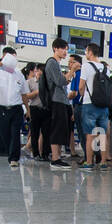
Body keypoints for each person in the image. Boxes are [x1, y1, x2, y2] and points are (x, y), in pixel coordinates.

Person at [0, 50, 29, 168]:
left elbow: (24, 94)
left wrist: (28, 109)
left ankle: (14, 158)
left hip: (16, 108)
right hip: (2, 109)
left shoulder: (19, 75)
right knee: (4, 133)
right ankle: (9, 152)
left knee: (15, 133)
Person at [42, 37, 75, 169]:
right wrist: (72, 71)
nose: (65, 52)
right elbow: (60, 81)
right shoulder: (52, 63)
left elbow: (63, 81)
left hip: (61, 100)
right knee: (57, 129)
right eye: (63, 49)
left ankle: (58, 157)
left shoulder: (56, 64)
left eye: (66, 50)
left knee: (61, 130)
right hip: (56, 101)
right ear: (55, 48)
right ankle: (55, 158)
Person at [77, 43, 110, 168]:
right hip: (103, 105)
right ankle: (103, 162)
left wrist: (83, 94)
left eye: (86, 51)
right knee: (102, 134)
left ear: (90, 52)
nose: (86, 54)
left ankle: (89, 162)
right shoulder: (106, 68)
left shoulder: (86, 66)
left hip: (89, 104)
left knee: (89, 135)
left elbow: (81, 86)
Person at [26, 63, 50, 161]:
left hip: (46, 109)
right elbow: (26, 96)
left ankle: (45, 154)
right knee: (35, 133)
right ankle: (35, 153)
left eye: (41, 70)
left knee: (46, 133)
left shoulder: (48, 82)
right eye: (37, 70)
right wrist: (37, 92)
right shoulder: (29, 82)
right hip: (34, 108)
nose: (39, 72)